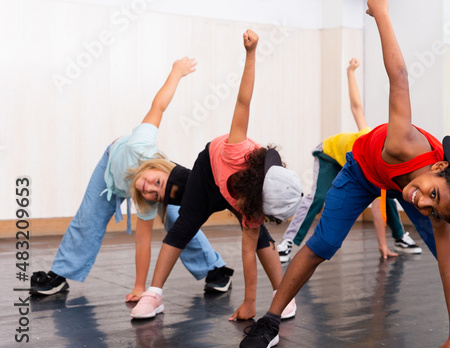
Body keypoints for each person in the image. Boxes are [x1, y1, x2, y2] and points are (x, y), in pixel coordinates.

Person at [238, 0, 450, 348]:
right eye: (432, 195)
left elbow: (447, 270)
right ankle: (270, 322)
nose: (422, 203)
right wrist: (381, 14)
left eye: (434, 209)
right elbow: (399, 76)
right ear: (438, 168)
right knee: (321, 244)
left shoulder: (437, 206)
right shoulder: (403, 142)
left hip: (396, 180)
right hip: (363, 171)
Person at [130, 30, 303, 321]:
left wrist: (249, 302)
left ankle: (283, 294)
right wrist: (251, 53)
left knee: (260, 238)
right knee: (185, 224)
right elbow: (244, 100)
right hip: (209, 172)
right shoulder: (237, 150)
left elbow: (248, 253)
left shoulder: (253, 211)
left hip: (237, 193)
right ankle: (154, 294)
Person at [30, 58, 233, 300]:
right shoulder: (141, 144)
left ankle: (216, 269)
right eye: (155, 183)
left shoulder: (150, 196)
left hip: (161, 181)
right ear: (157, 167)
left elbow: (143, 240)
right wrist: (176, 73)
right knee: (88, 217)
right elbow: (159, 106)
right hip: (111, 166)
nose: (148, 188)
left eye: (155, 194)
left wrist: (139, 287)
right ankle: (59, 274)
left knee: (178, 218)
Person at [276, 58, 420, 263]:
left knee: (387, 194)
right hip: (328, 153)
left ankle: (399, 238)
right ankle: (288, 242)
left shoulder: (380, 166)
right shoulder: (366, 137)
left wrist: (384, 245)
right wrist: (350, 72)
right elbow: (356, 107)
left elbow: (379, 205)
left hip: (349, 162)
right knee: (319, 196)